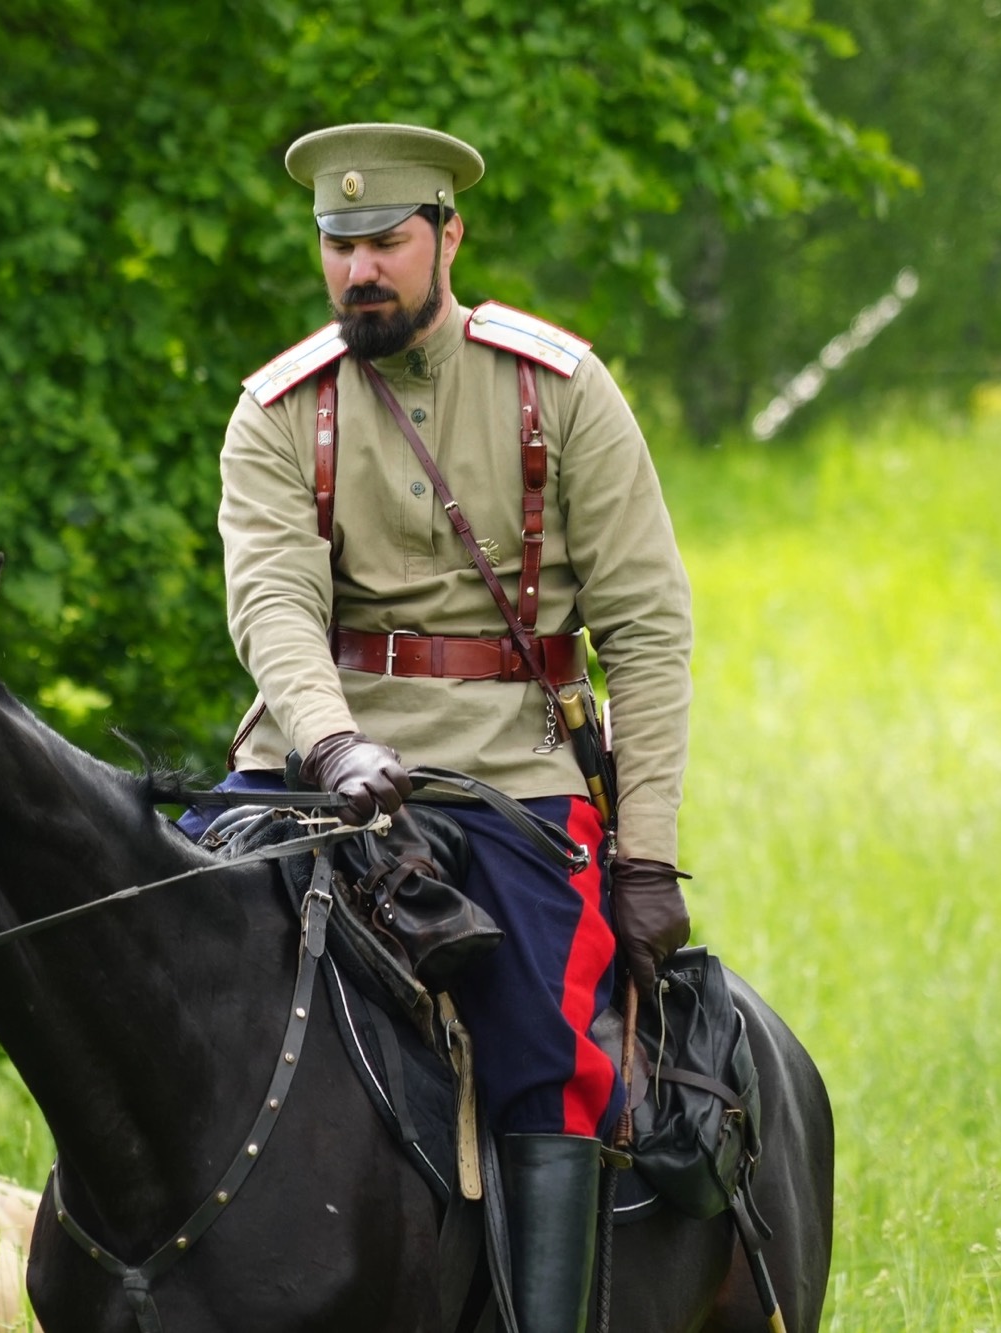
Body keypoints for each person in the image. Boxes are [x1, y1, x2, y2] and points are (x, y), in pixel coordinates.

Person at [182, 122, 695, 1331]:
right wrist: (329, 744)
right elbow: (270, 605)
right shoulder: (276, 412)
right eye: (336, 243)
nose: (359, 268)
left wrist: (650, 847)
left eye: (385, 241)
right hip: (310, 768)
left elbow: (646, 630)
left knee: (541, 1040)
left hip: (508, 776)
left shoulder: (558, 390)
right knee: (162, 962)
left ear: (447, 237)